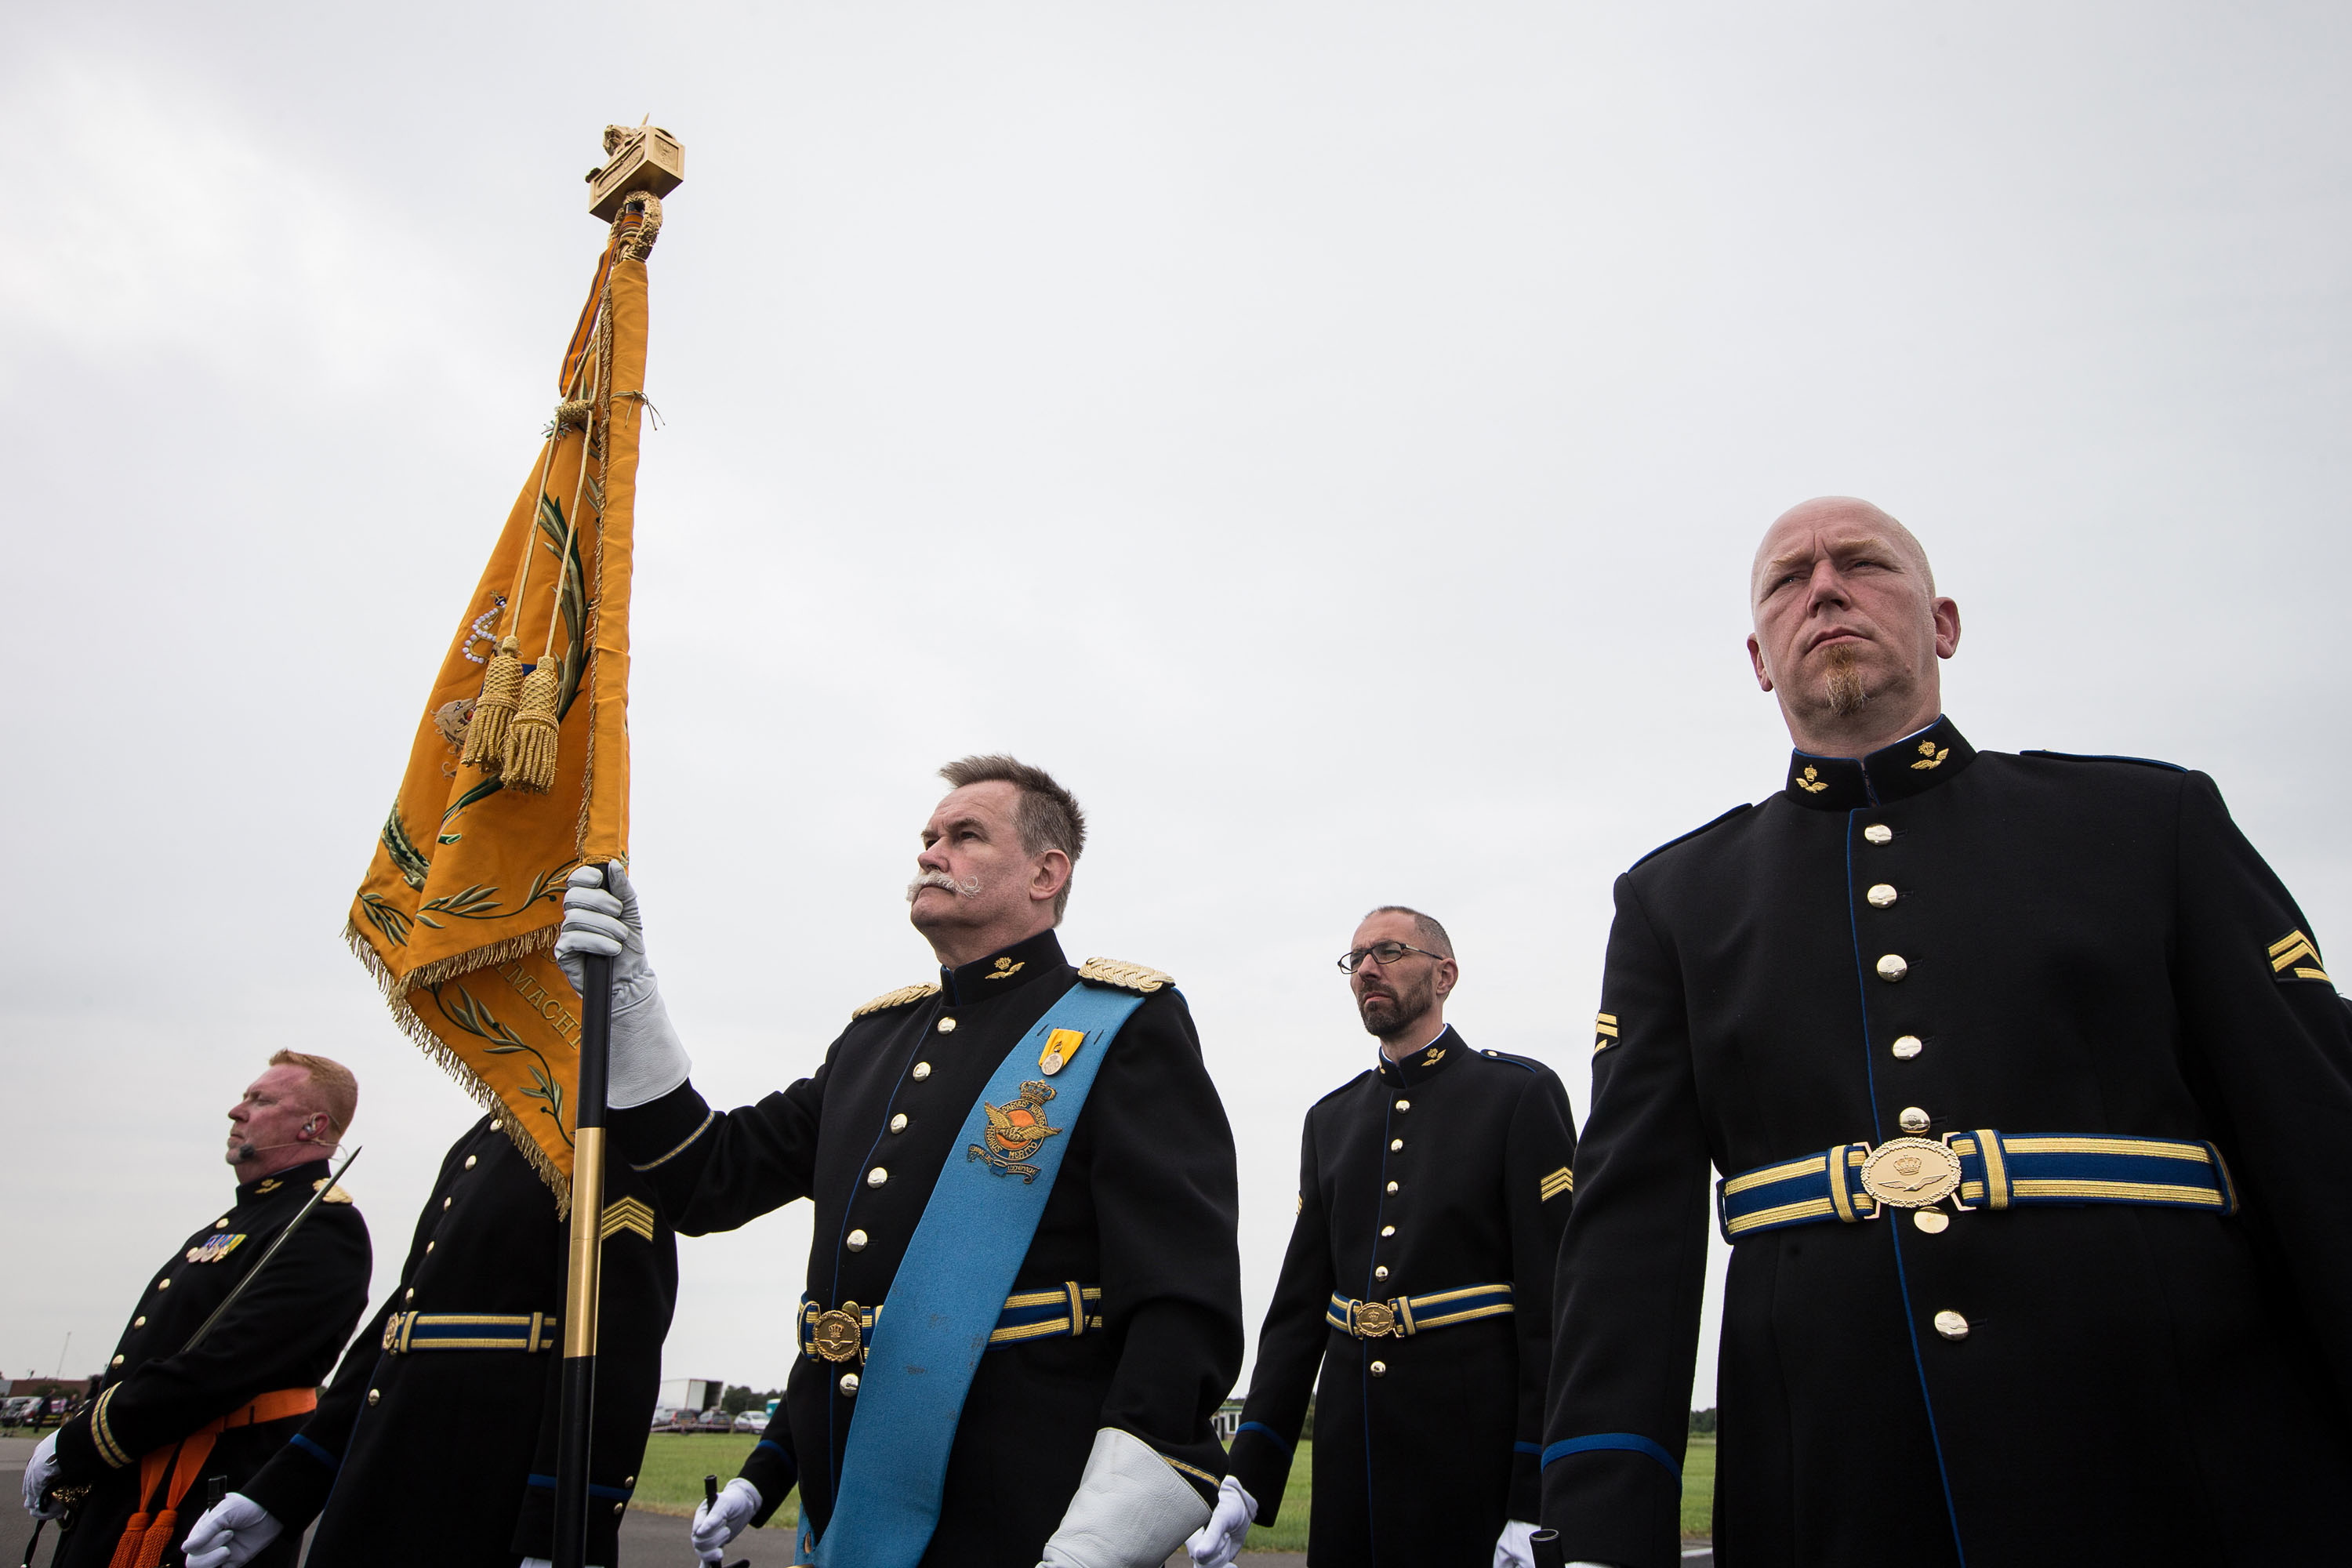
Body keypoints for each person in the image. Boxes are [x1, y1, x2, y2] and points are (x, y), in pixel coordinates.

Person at [1535, 498, 2352, 1567]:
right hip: (1835, 1478)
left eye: (1863, 564)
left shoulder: (2148, 826)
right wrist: (1603, 1514)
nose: (1823, 587)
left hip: (2172, 1454)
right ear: (1758, 659)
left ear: (1946, 624)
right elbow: (1628, 1230)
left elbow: (2315, 1136)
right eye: (1787, 581)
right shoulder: (1677, 901)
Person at [556, 755, 1243, 1568]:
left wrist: (1099, 1540)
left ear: (1045, 873)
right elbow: (710, 1175)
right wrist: (630, 997)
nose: (929, 852)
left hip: (1025, 1522)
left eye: (964, 835)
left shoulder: (1122, 1026)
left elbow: (1179, 1303)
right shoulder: (875, 1041)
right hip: (843, 1510)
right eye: (927, 837)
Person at [1192, 907, 1576, 1568]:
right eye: (1355, 958)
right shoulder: (1332, 1120)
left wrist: (1534, 1496)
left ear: (1445, 974)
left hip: (1471, 1458)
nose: (1367, 968)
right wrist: (1247, 1478)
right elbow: (1296, 1315)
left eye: (1390, 951)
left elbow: (1555, 1310)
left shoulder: (1517, 1095)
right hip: (1353, 1457)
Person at [181, 1112, 678, 1568]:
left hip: (480, 1506)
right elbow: (400, 1332)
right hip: (383, 1493)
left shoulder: (599, 1132)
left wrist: (564, 1532)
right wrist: (278, 1495)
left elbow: (617, 1344)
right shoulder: (484, 1137)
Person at [20, 1053, 372, 1568]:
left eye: (261, 1100)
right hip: (136, 1482)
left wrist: (77, 1446)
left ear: (313, 1126)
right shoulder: (244, 1220)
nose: (237, 1110)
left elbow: (223, 1366)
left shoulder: (321, 1227)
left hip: (197, 1502)